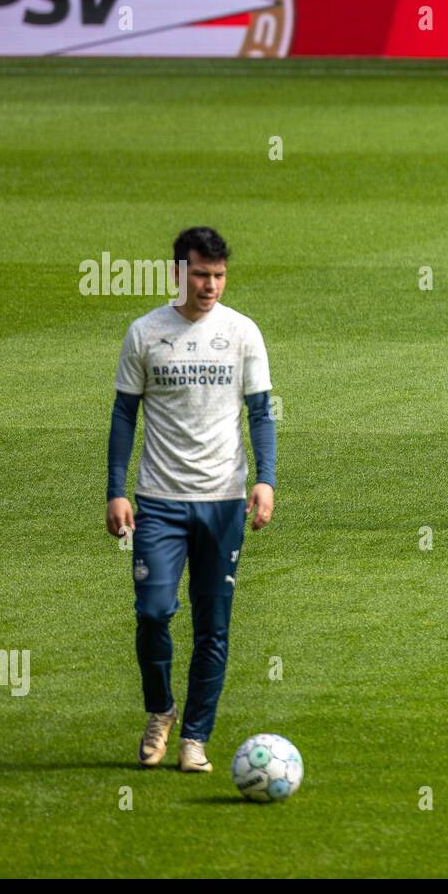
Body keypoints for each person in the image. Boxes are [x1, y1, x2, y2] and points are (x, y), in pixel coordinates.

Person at [105, 227, 276, 772]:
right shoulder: (146, 333)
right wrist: (116, 490)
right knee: (153, 612)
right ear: (179, 272)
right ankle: (161, 711)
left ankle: (194, 739)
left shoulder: (243, 332)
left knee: (214, 627)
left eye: (220, 275)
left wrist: (265, 479)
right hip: (158, 500)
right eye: (201, 274)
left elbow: (261, 412)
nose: (211, 286)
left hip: (223, 501)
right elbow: (124, 413)